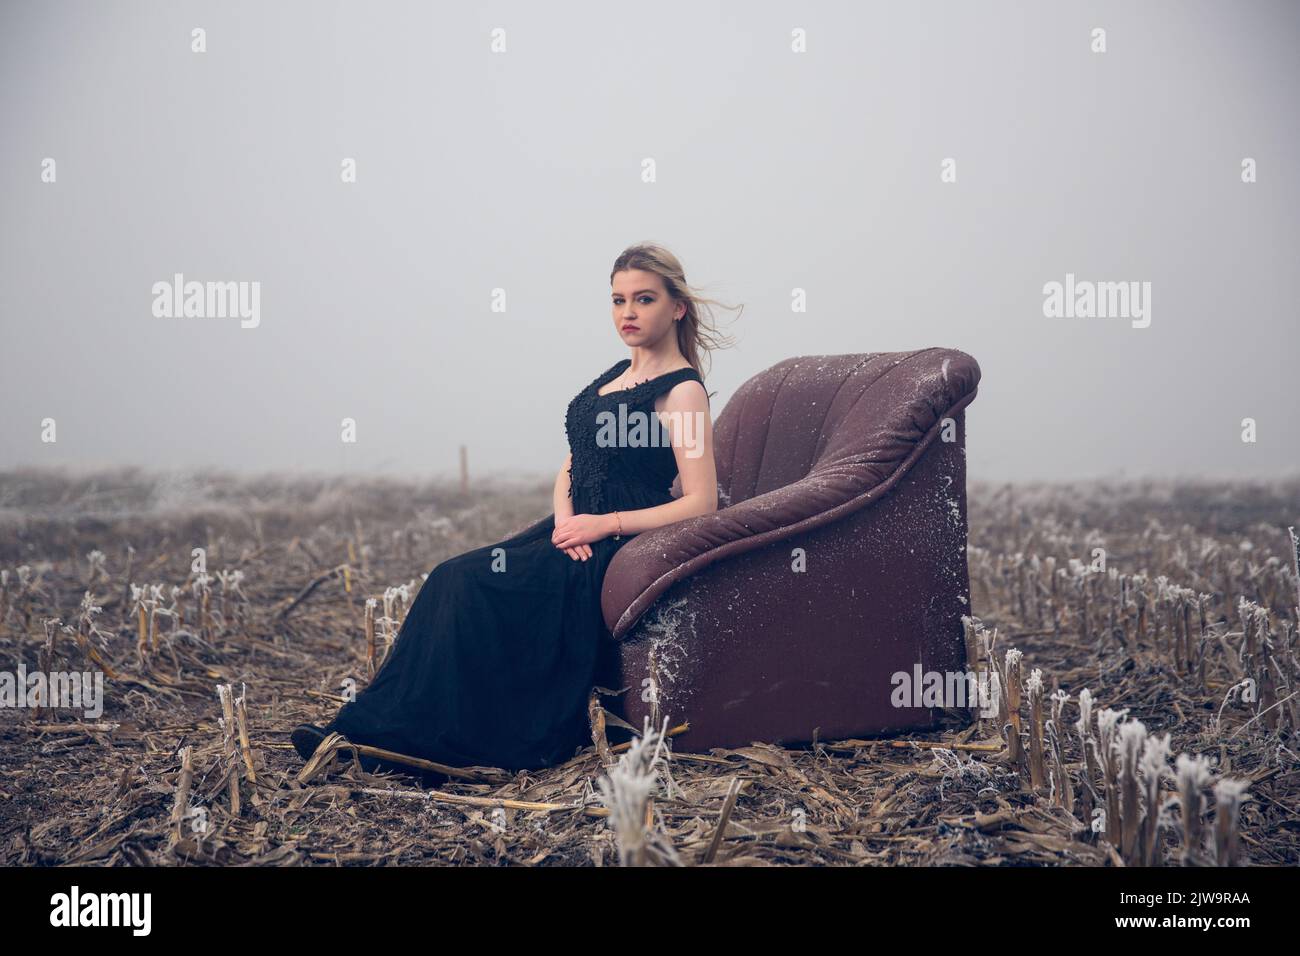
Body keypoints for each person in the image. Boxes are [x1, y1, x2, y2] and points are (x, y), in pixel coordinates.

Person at [292, 243, 737, 781]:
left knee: (463, 585)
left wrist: (602, 525)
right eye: (618, 300)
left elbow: (700, 502)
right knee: (449, 577)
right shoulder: (615, 374)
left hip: (612, 546)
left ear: (677, 307)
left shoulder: (683, 392)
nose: (628, 313)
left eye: (644, 299)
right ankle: (368, 729)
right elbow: (572, 465)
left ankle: (409, 740)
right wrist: (565, 517)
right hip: (568, 532)